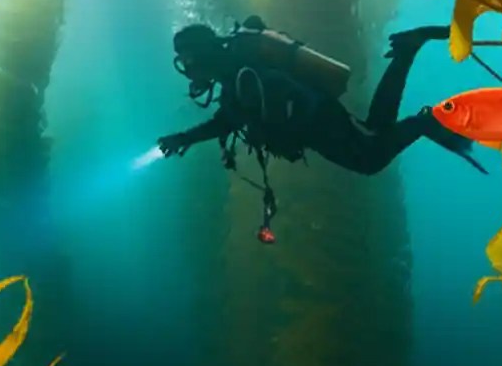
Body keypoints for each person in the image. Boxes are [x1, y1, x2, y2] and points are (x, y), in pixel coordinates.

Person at [156, 16, 485, 242]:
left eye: (187, 61)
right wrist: (185, 138)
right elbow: (229, 118)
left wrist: (186, 137)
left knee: (369, 159)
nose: (188, 70)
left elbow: (235, 116)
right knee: (377, 129)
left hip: (318, 123)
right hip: (318, 119)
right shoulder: (236, 73)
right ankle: (407, 50)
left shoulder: (240, 73)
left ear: (201, 54)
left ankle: (425, 120)